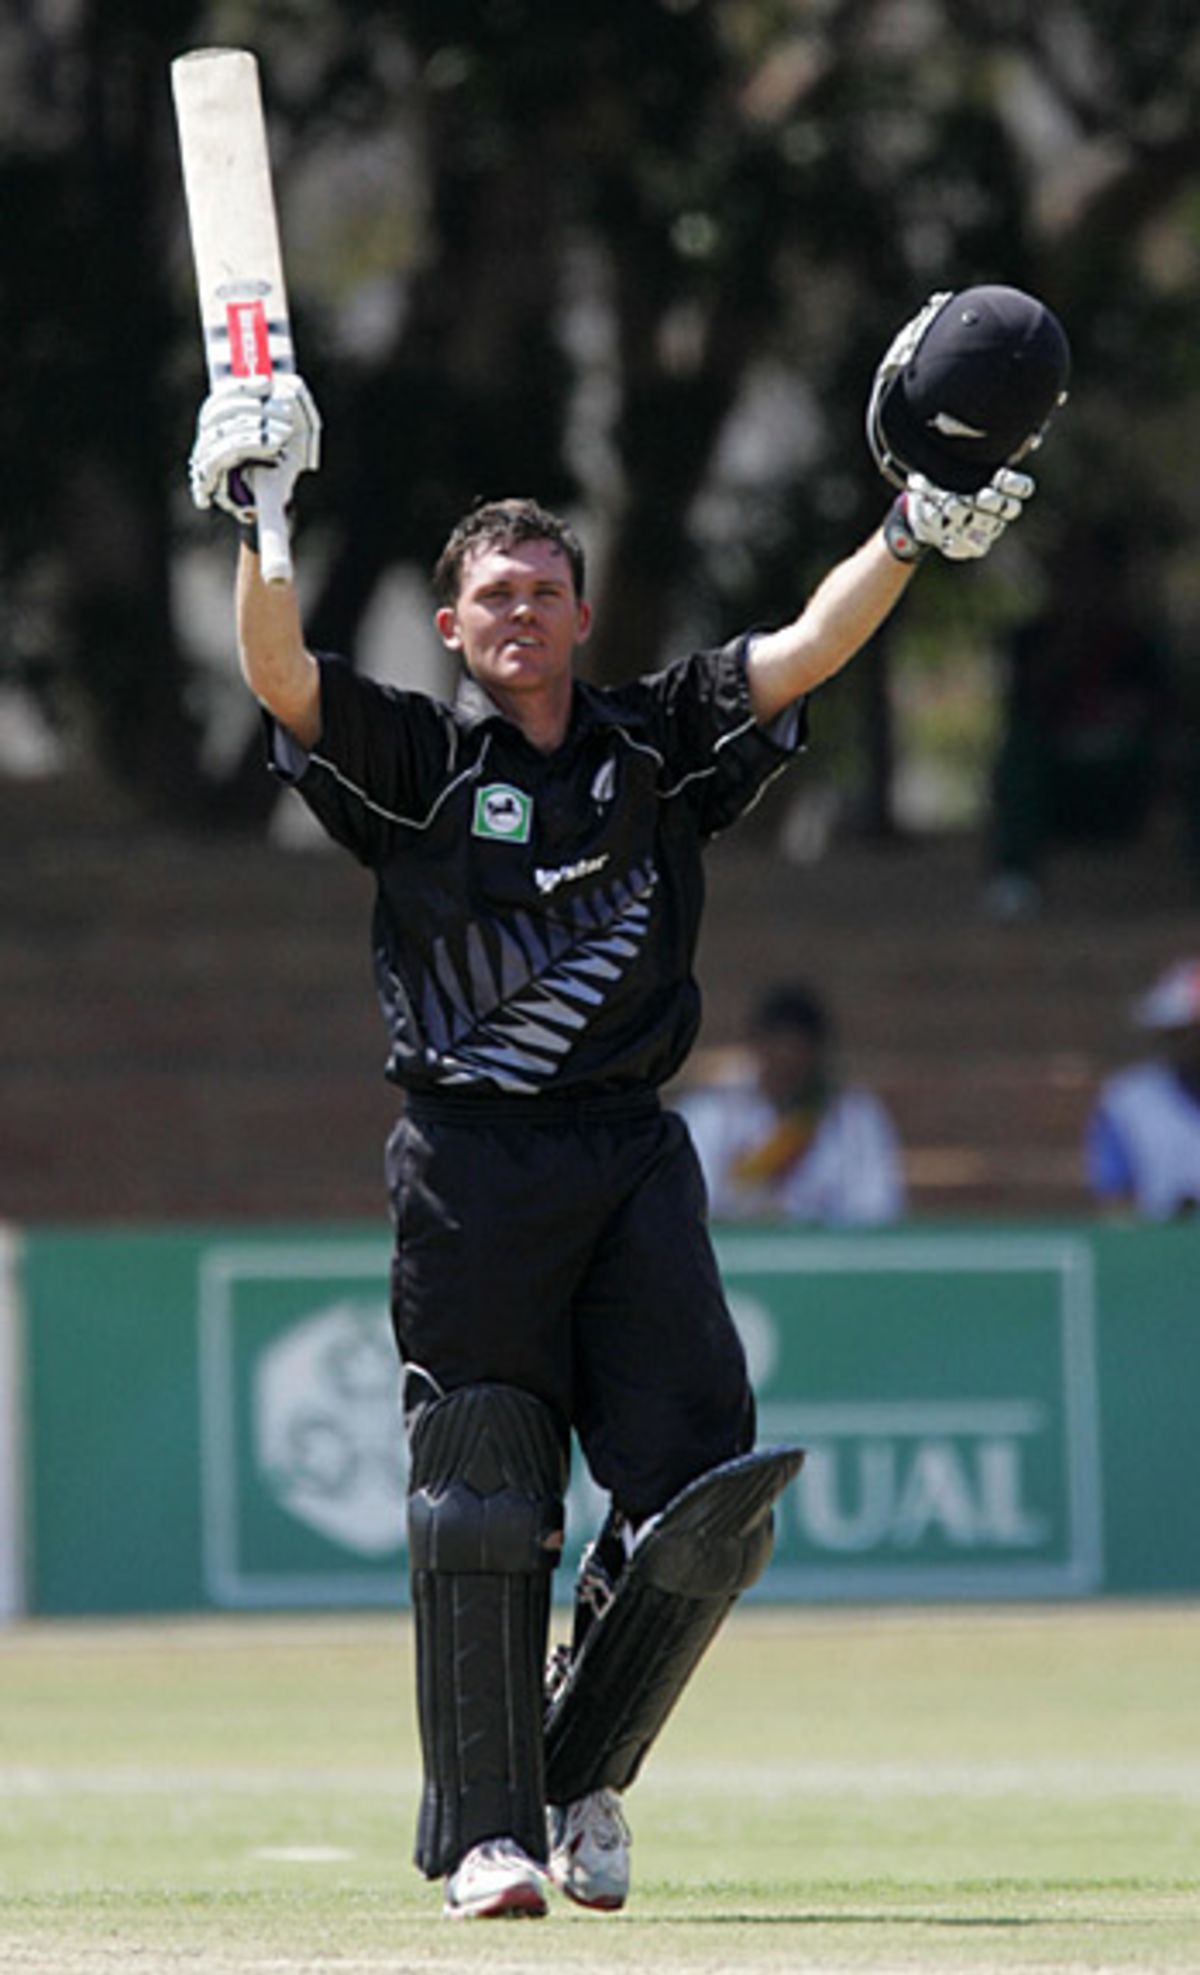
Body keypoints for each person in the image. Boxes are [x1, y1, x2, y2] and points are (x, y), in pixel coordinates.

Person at [186, 286, 1048, 1921]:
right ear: (450, 628)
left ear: (583, 615)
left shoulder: (653, 750)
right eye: (492, 594)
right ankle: (493, 1837)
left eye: (545, 589)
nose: (520, 610)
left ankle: (579, 1776)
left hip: (629, 1158)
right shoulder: (423, 765)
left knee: (703, 1505)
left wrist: (914, 533)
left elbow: (801, 647)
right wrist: (258, 523)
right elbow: (283, 678)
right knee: (486, 1490)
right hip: (471, 1165)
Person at [677, 981, 905, 1224]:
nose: (786, 1064)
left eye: (797, 1054)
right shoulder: (713, 1113)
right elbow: (691, 1203)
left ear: (817, 1053)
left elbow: (877, 1207)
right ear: (758, 1047)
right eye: (777, 1050)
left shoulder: (855, 1118)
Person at [1085, 959, 1200, 1220]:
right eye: (1181, 1033)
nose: (1189, 1044)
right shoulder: (1129, 1099)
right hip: (1161, 1249)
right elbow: (1115, 1201)